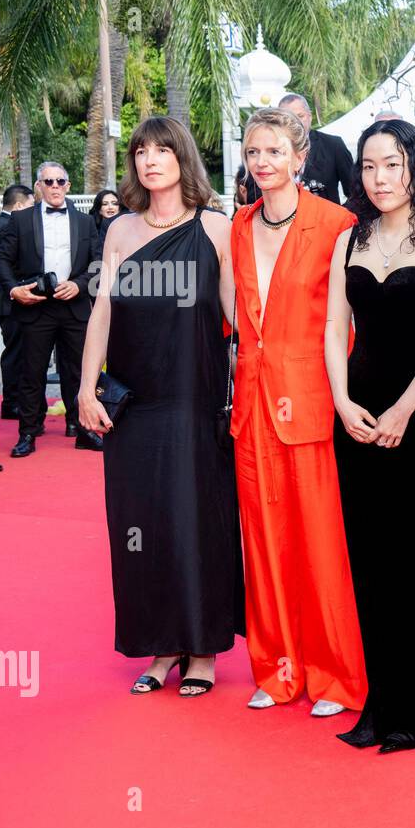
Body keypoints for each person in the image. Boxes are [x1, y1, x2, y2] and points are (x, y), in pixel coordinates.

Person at [74, 116, 244, 697]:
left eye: (161, 150)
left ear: (182, 158)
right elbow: (101, 313)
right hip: (134, 402)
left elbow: (237, 316)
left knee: (195, 520)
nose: (149, 160)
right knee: (139, 523)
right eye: (141, 152)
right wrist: (84, 386)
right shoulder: (119, 230)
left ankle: (201, 648)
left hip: (194, 399)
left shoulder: (215, 228)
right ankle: (161, 645)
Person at [326, 120, 415, 753]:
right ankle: (381, 706)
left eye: (391, 165)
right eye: (368, 166)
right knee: (367, 563)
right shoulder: (347, 240)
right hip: (355, 416)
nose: (379, 178)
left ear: (413, 166)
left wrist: (405, 409)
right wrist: (341, 401)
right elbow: (334, 332)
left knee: (413, 564)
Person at [230, 106, 367, 717]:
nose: (263, 162)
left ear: (299, 157)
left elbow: (349, 322)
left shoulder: (338, 223)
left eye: (275, 151)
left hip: (309, 400)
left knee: (318, 544)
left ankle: (334, 675)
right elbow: (239, 315)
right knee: (263, 544)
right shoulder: (238, 224)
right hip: (251, 404)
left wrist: (336, 389)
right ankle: (278, 669)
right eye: (254, 151)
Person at [0, 162, 103, 458]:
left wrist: (80, 286)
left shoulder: (84, 222)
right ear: (39, 187)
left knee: (79, 373)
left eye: (61, 181)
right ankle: (28, 433)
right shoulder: (20, 220)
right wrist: (14, 289)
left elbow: (97, 262)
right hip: (35, 306)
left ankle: (84, 429)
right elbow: (3, 259)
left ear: (69, 185)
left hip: (74, 308)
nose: (55, 186)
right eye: (49, 181)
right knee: (32, 373)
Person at [0, 184, 37, 422]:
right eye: (30, 205)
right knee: (15, 354)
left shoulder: (3, 223)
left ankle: (15, 401)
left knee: (19, 352)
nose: (33, 211)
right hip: (9, 299)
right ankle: (11, 402)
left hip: (12, 298)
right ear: (19, 206)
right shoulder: (7, 225)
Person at [277, 93, 356, 203]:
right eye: (288, 118)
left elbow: (354, 192)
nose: (295, 122)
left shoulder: (333, 145)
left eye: (300, 116)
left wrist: (339, 216)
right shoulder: (271, 150)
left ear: (310, 116)